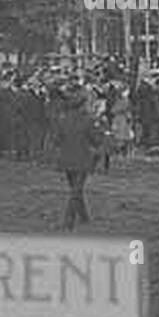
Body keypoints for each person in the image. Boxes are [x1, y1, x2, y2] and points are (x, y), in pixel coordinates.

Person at [55, 89, 105, 231]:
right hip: (82, 157)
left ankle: (84, 217)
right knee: (76, 191)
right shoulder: (88, 119)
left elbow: (57, 139)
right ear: (83, 105)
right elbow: (96, 140)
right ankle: (68, 221)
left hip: (66, 158)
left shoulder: (63, 118)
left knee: (75, 189)